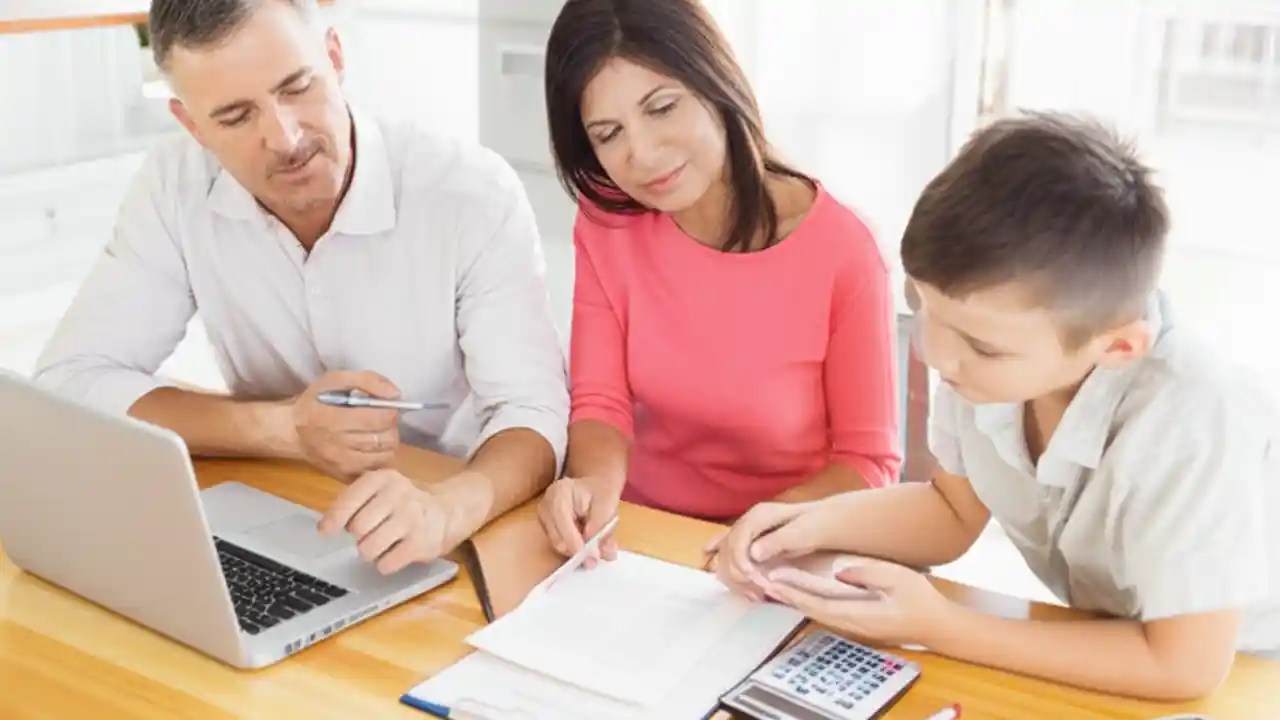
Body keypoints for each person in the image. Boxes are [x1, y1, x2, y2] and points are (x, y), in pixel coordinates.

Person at [710, 112, 1280, 700]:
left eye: (981, 346)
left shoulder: (1192, 418)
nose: (936, 353)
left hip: (1247, 672)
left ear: (1116, 347)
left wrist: (942, 627)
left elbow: (1186, 667)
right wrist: (803, 523)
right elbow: (953, 511)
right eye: (922, 306)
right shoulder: (984, 365)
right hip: (1120, 645)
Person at [34, 0, 569, 575]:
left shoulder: (469, 192)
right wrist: (283, 428)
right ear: (192, 126)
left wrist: (448, 507)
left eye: (296, 87)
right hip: (281, 503)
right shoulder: (175, 184)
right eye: (237, 117)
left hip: (457, 514)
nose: (285, 139)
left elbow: (532, 408)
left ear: (334, 57)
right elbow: (71, 380)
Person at [536, 0, 901, 567]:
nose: (643, 154)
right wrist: (592, 488)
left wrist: (755, 534)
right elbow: (600, 402)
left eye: (661, 108)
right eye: (609, 135)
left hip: (786, 548)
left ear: (715, 80)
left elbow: (868, 462)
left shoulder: (844, 251)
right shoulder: (607, 219)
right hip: (641, 540)